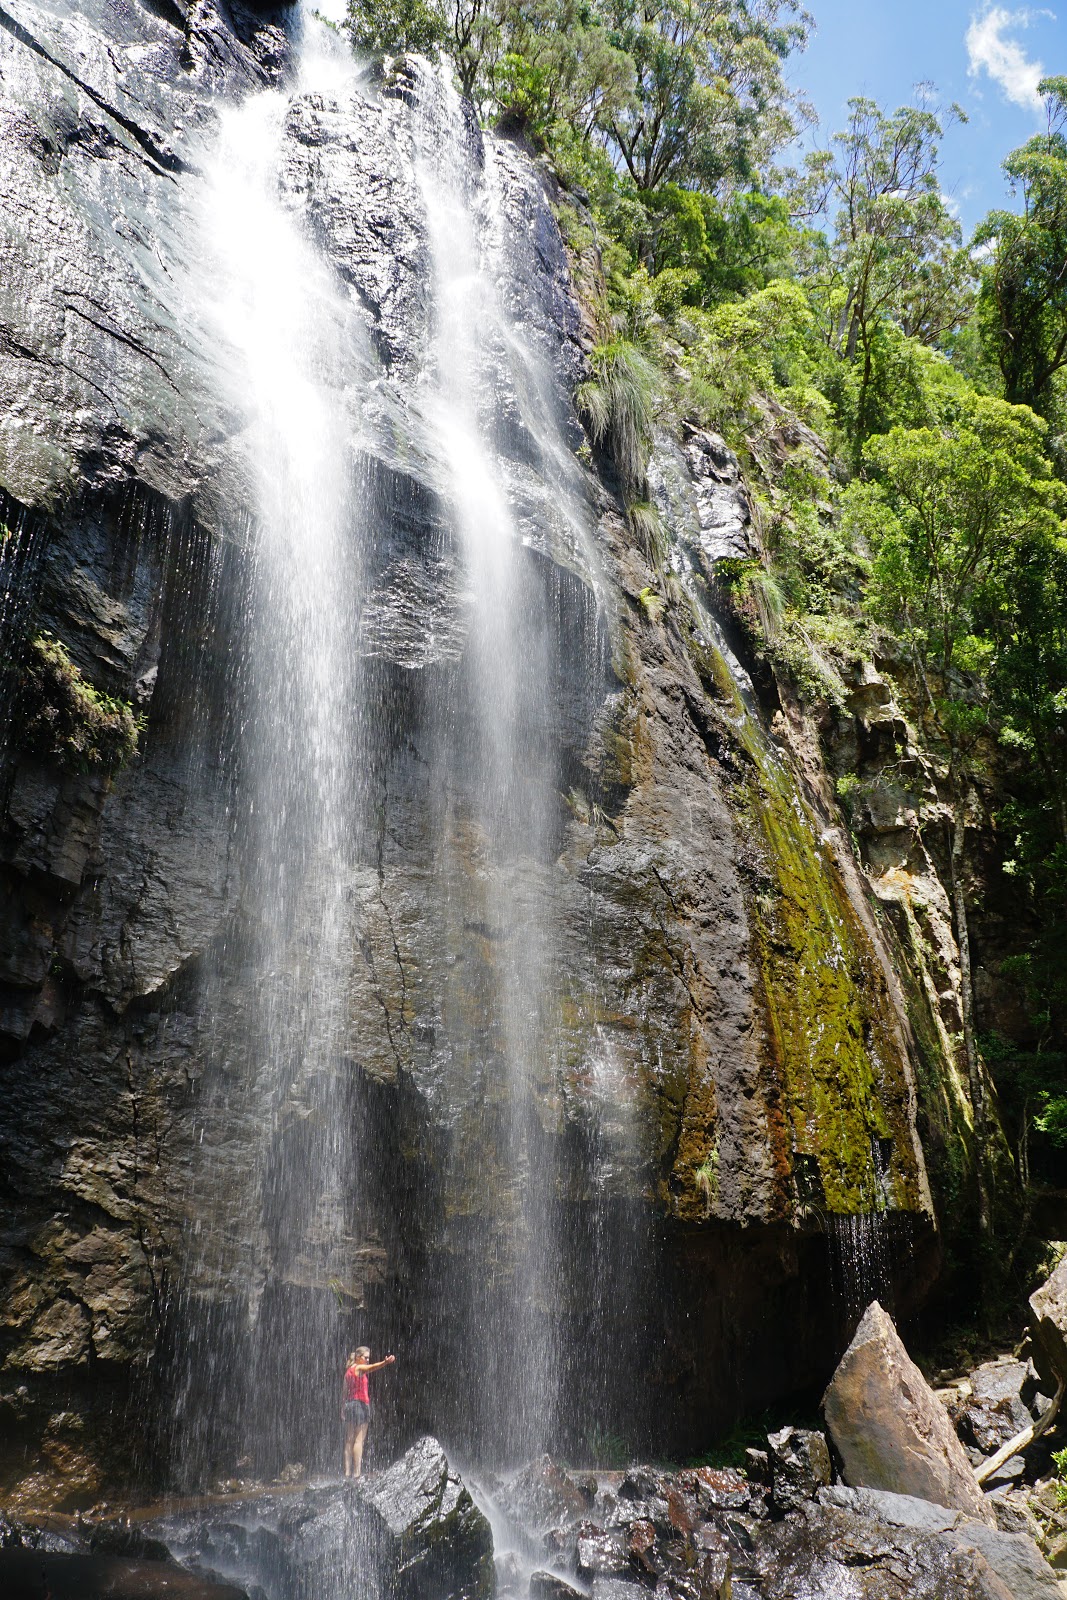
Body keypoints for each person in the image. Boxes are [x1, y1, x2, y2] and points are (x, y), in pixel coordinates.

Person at [342, 1345, 395, 1479]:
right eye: (365, 1358)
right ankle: (357, 1474)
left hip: (349, 1405)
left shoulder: (348, 1371)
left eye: (368, 1358)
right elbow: (371, 1368)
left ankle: (347, 1472)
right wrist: (385, 1362)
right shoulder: (359, 1368)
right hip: (360, 1405)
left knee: (349, 1439)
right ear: (358, 1358)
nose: (367, 1360)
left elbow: (344, 1391)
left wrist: (342, 1407)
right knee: (359, 1440)